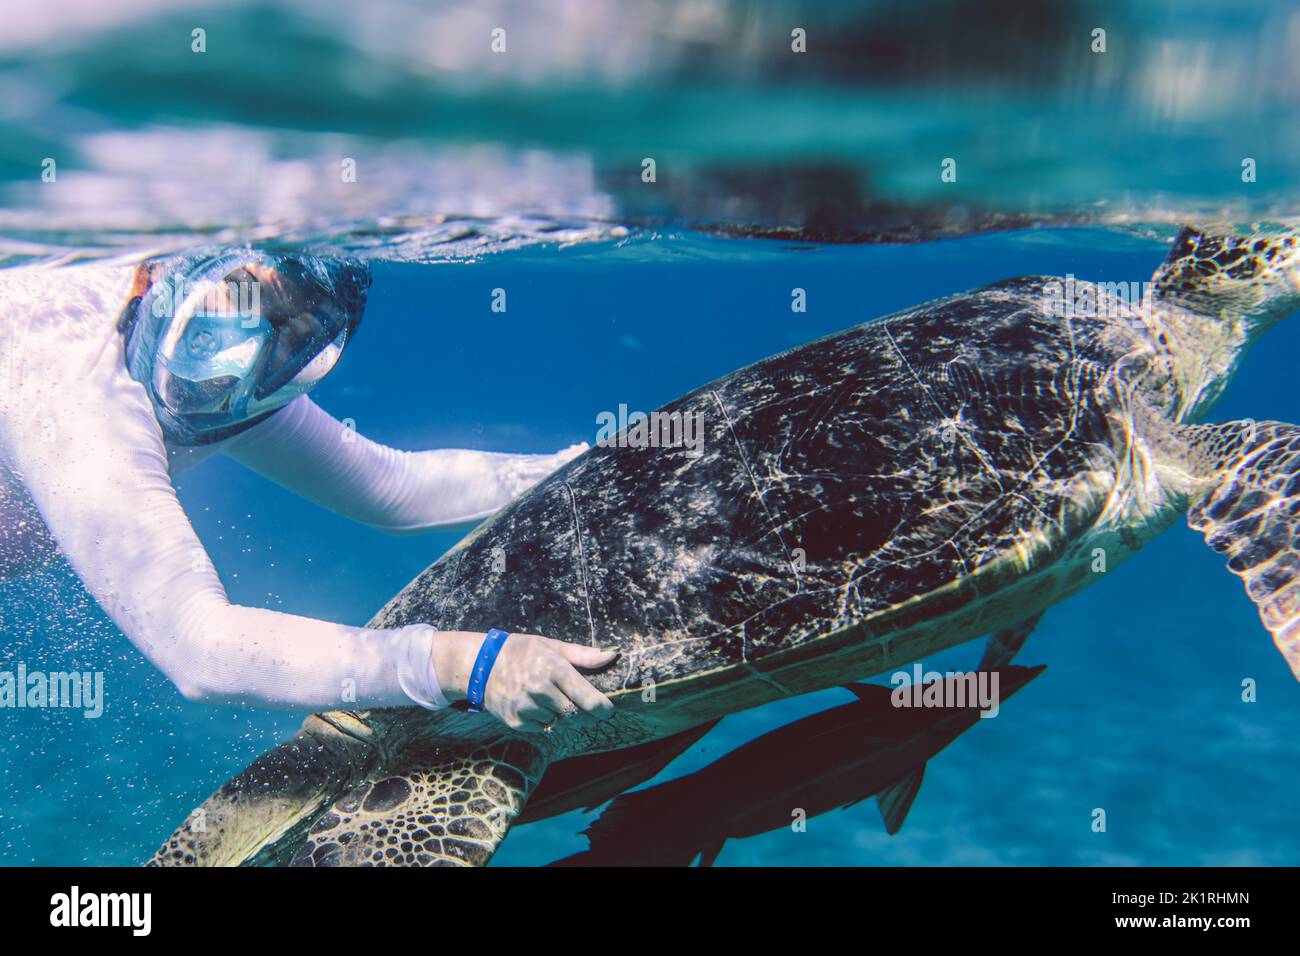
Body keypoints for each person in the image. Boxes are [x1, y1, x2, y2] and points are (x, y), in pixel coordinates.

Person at [0, 250, 615, 732]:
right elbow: (198, 647)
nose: (235, 371)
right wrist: (467, 667)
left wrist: (591, 465)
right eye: (237, 311)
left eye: (293, 341)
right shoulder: (68, 388)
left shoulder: (225, 375)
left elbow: (393, 489)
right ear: (158, 276)